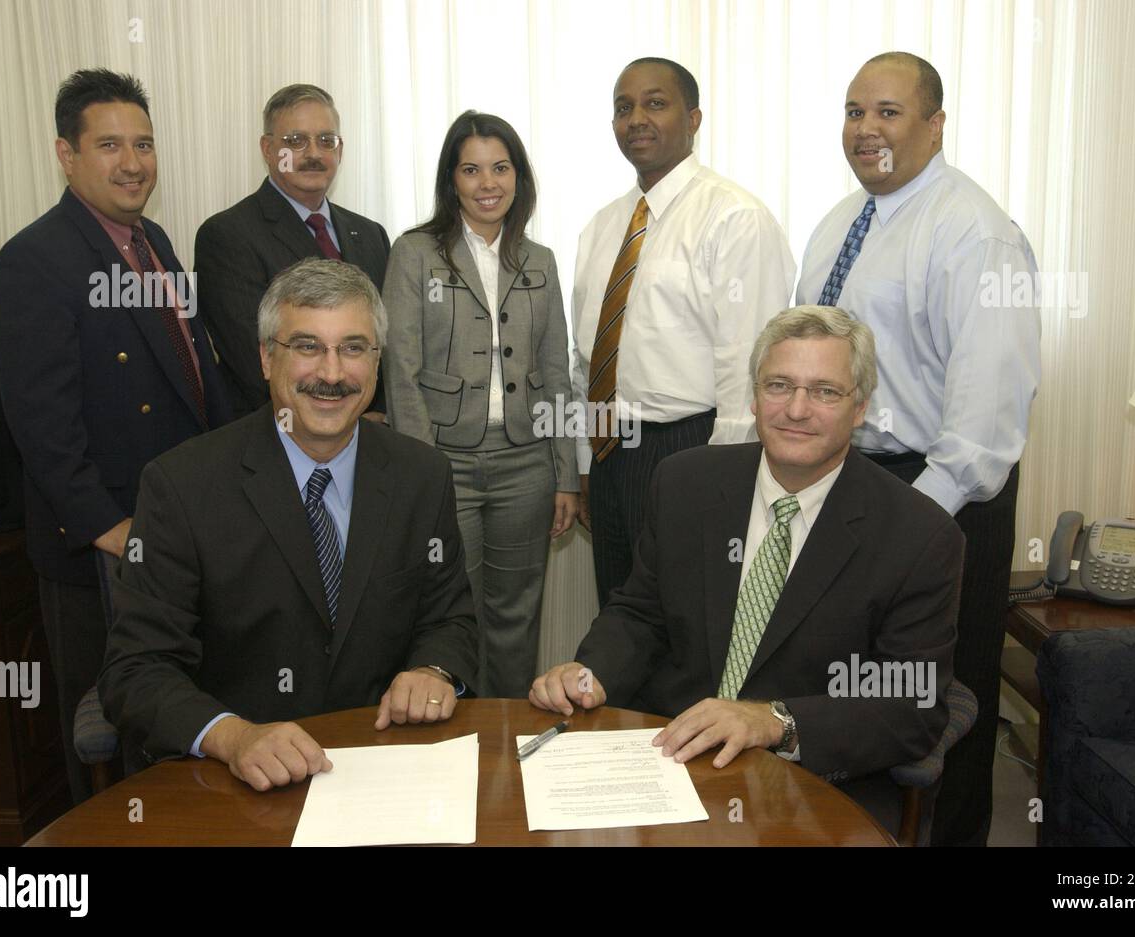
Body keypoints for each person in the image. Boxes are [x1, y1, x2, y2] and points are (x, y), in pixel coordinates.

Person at [532, 306, 963, 839]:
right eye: (779, 385)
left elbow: (909, 707)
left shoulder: (919, 535)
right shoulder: (685, 482)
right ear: (755, 396)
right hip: (669, 757)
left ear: (860, 409)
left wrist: (775, 722)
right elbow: (641, 612)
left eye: (825, 391)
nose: (797, 409)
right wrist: (590, 673)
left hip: (809, 784)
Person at [99, 258, 478, 791]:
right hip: (239, 781)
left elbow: (450, 618)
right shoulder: (182, 485)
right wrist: (234, 737)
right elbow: (135, 672)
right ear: (264, 358)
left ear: (376, 363)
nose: (330, 374)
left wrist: (433, 671)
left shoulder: (423, 474)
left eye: (352, 348)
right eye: (306, 347)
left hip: (385, 765)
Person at [795, 51, 1041, 845]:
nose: (866, 129)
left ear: (935, 125)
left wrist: (902, 521)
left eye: (889, 112)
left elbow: (984, 424)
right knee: (858, 689)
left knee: (943, 701)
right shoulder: (838, 224)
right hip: (855, 481)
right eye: (853, 110)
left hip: (945, 494)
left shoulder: (976, 231)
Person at [0, 68, 233, 803]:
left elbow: (196, 373)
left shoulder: (153, 239)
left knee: (180, 727)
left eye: (145, 144)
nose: (133, 162)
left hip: (179, 531)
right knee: (112, 740)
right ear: (66, 154)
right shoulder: (35, 259)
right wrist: (114, 530)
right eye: (110, 145)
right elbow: (41, 425)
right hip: (105, 549)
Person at [570, 57, 796, 608]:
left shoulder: (735, 217)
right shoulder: (602, 225)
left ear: (694, 119)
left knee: (690, 625)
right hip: (610, 455)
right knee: (620, 618)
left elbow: (751, 367)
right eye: (624, 108)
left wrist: (723, 485)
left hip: (691, 448)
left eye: (655, 102)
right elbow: (585, 360)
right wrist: (584, 464)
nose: (637, 119)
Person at [383, 111, 578, 699]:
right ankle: (460, 738)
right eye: (471, 169)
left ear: (518, 177)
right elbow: (401, 369)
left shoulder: (539, 259)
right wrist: (422, 470)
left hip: (526, 464)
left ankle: (510, 736)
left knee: (516, 613)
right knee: (451, 608)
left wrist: (566, 473)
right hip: (445, 461)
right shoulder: (415, 253)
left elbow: (554, 371)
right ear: (452, 180)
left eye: (500, 167)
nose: (487, 182)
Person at [194, 83, 392, 421]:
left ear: (340, 151)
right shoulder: (226, 236)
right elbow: (255, 363)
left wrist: (380, 415)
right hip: (275, 439)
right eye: (295, 142)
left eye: (326, 141)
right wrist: (350, 418)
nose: (313, 153)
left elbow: (383, 347)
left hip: (367, 437)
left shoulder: (371, 235)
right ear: (268, 149)